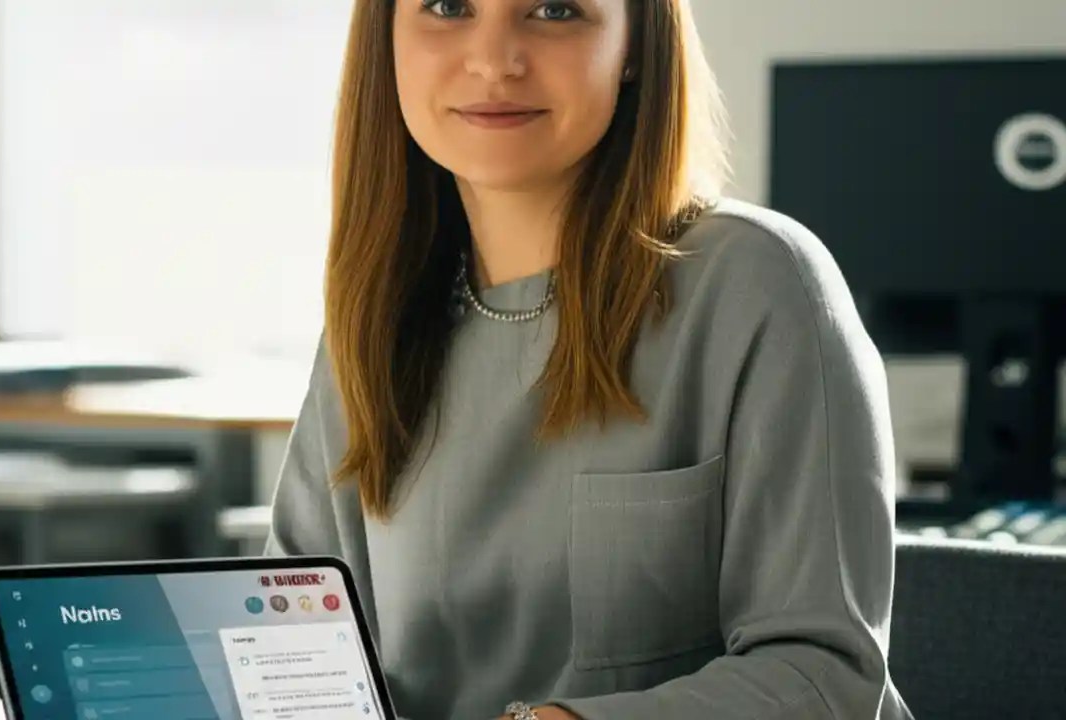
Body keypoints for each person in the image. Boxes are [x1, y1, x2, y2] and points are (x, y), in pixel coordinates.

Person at [266, 0, 914, 718]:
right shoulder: (376, 311)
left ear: (634, 45)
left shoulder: (758, 283)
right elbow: (288, 643)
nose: (494, 58)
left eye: (554, 10)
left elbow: (823, 677)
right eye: (448, 7)